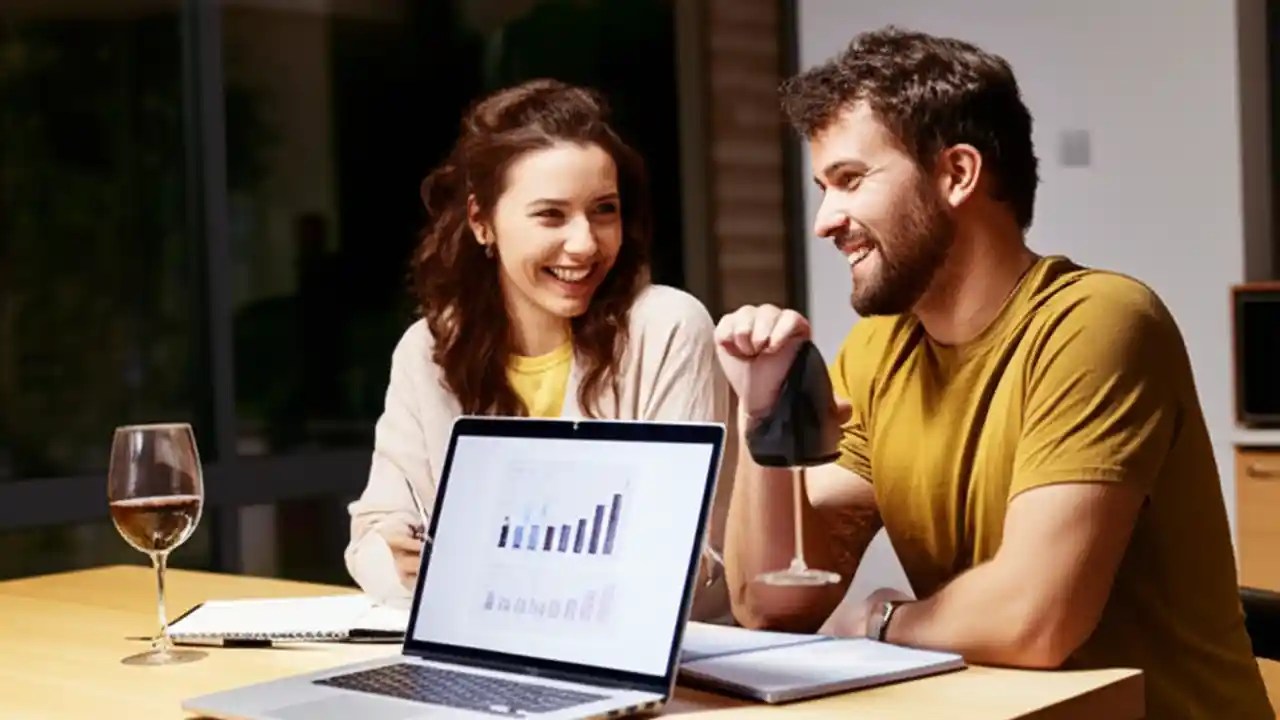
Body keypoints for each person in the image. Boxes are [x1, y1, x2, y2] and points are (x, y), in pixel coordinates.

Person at [715, 26, 1270, 719]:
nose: (827, 220)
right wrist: (762, 418)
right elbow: (772, 604)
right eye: (823, 187)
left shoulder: (1097, 323)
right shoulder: (878, 350)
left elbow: (1033, 621)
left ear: (957, 174)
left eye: (851, 180)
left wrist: (883, 623)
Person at [345, 78, 734, 621]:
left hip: (672, 668)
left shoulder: (666, 327)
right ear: (483, 222)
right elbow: (375, 534)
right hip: (480, 649)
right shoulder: (429, 350)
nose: (585, 243)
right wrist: (392, 555)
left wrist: (473, 569)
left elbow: (678, 567)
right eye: (551, 215)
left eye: (604, 210)